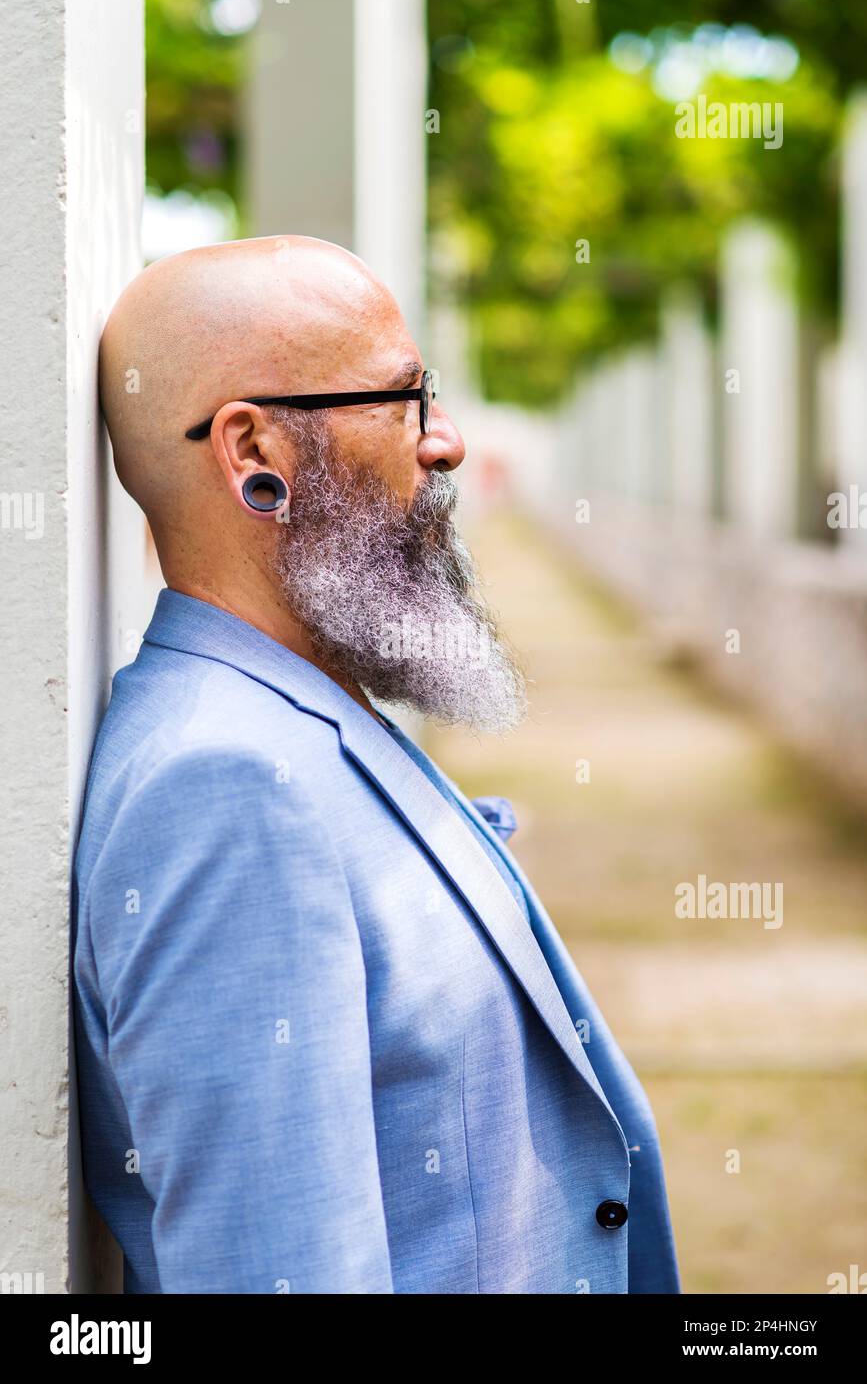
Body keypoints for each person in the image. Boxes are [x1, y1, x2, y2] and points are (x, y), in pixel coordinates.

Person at [72, 235, 681, 1294]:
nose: (443, 442)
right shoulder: (222, 788)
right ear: (253, 452)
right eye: (405, 398)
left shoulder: (294, 709)